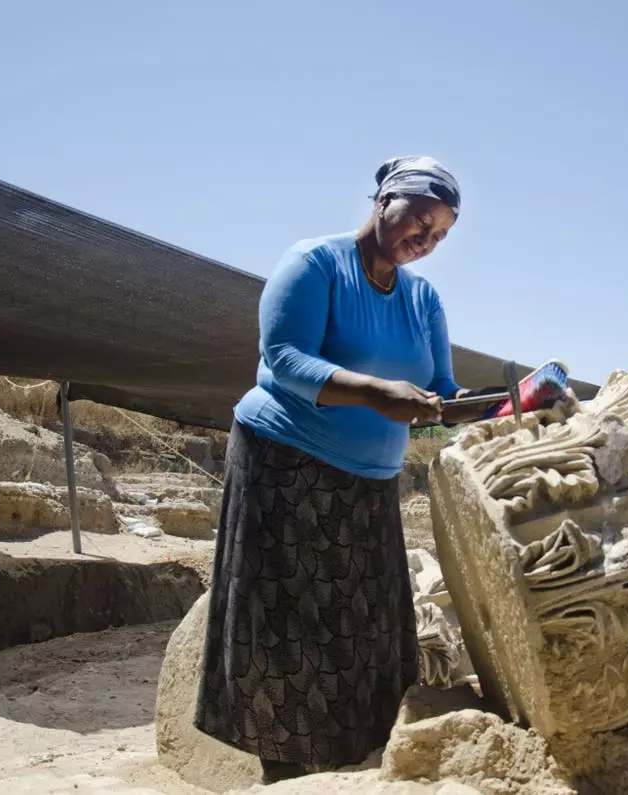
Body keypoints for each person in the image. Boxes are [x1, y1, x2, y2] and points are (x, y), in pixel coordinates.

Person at [194, 155, 486, 783]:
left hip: (370, 482)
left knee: (368, 633)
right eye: (420, 221)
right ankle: (286, 777)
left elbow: (439, 393)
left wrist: (494, 410)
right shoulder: (316, 263)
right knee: (286, 631)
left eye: (440, 235)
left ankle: (347, 769)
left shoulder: (423, 298)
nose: (426, 240)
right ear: (386, 201)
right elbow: (283, 359)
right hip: (285, 465)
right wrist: (376, 392)